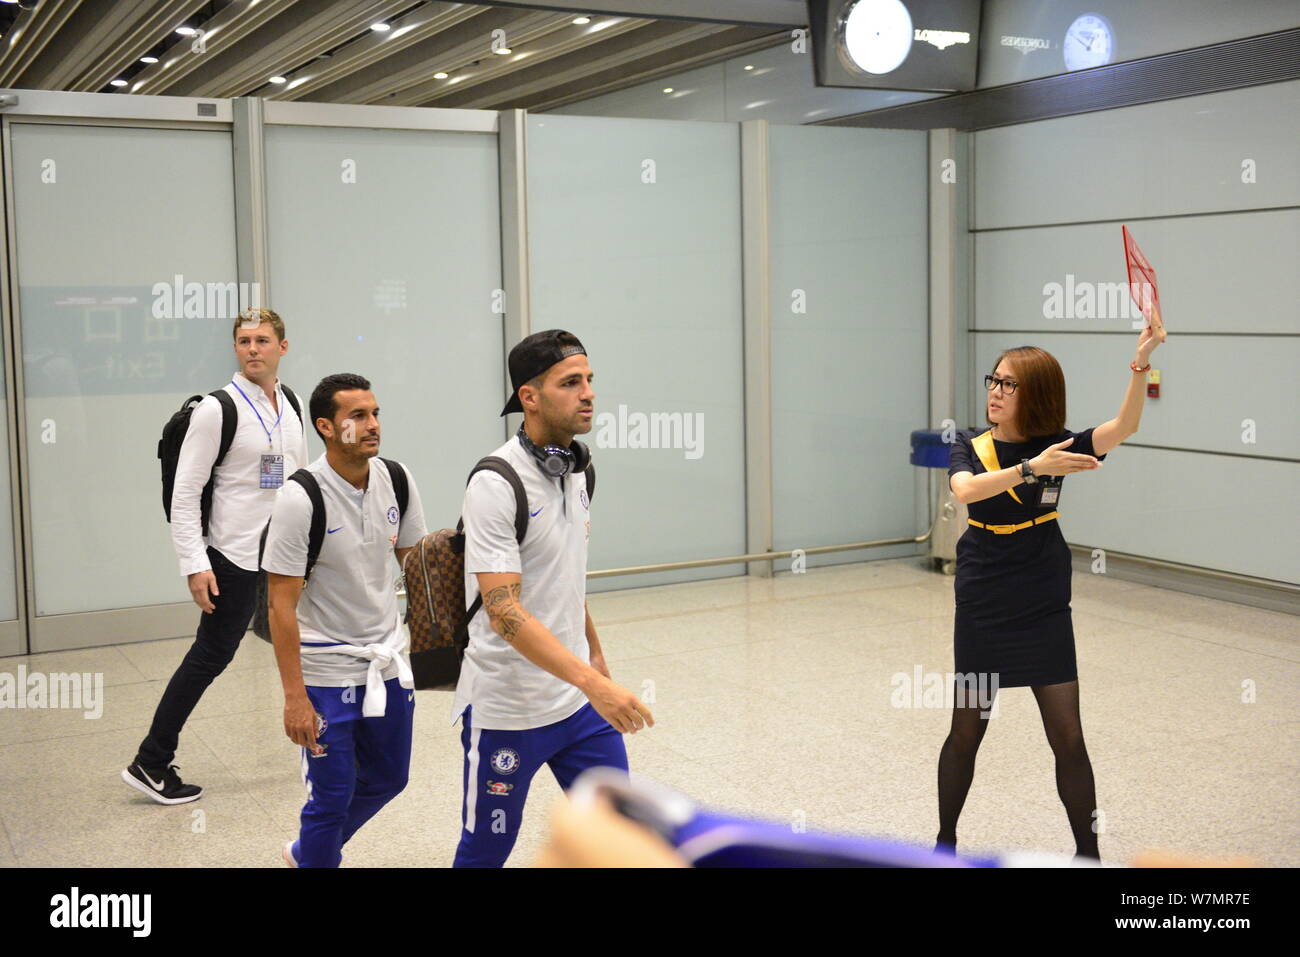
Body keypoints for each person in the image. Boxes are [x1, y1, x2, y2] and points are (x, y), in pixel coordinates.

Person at [937, 325, 1163, 860]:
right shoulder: (970, 443)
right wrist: (1030, 468)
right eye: (994, 379)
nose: (995, 390)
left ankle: (1090, 854)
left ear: (1034, 393)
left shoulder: (1057, 443)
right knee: (966, 731)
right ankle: (944, 845)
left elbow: (1125, 425)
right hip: (984, 592)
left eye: (1009, 384)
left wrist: (1142, 362)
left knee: (1069, 738)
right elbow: (966, 491)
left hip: (1041, 592)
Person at [452, 329, 654, 868]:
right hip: (508, 709)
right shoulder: (495, 483)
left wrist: (595, 657)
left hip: (577, 703)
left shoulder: (578, 469)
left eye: (589, 380)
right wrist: (593, 682)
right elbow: (505, 613)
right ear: (530, 396)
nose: (588, 393)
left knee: (619, 837)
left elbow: (566, 576)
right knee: (487, 849)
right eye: (571, 382)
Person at [123, 308, 307, 804]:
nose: (253, 349)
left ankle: (320, 739)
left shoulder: (289, 403)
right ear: (235, 348)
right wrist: (194, 564)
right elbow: (186, 493)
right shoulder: (216, 410)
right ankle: (151, 761)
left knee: (306, 641)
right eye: (244, 340)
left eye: (263, 340)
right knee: (211, 656)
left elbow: (299, 477)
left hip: (283, 553)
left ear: (282, 348)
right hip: (233, 555)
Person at [261, 373, 427, 868]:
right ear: (326, 427)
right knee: (331, 798)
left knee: (390, 779)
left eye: (375, 413)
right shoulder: (299, 498)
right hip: (327, 671)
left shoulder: (396, 478)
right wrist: (294, 697)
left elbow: (413, 564)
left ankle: (307, 852)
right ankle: (317, 854)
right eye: (358, 416)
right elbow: (280, 606)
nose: (373, 425)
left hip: (386, 660)